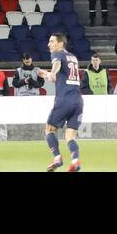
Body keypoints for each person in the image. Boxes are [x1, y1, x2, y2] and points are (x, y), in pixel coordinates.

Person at [40, 32, 83, 172]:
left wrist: (51, 72)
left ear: (60, 43)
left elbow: (57, 65)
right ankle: (75, 161)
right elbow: (59, 77)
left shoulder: (57, 54)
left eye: (52, 41)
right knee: (70, 136)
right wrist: (48, 75)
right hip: (78, 100)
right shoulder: (73, 57)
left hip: (64, 99)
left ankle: (57, 158)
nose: (49, 44)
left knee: (49, 130)